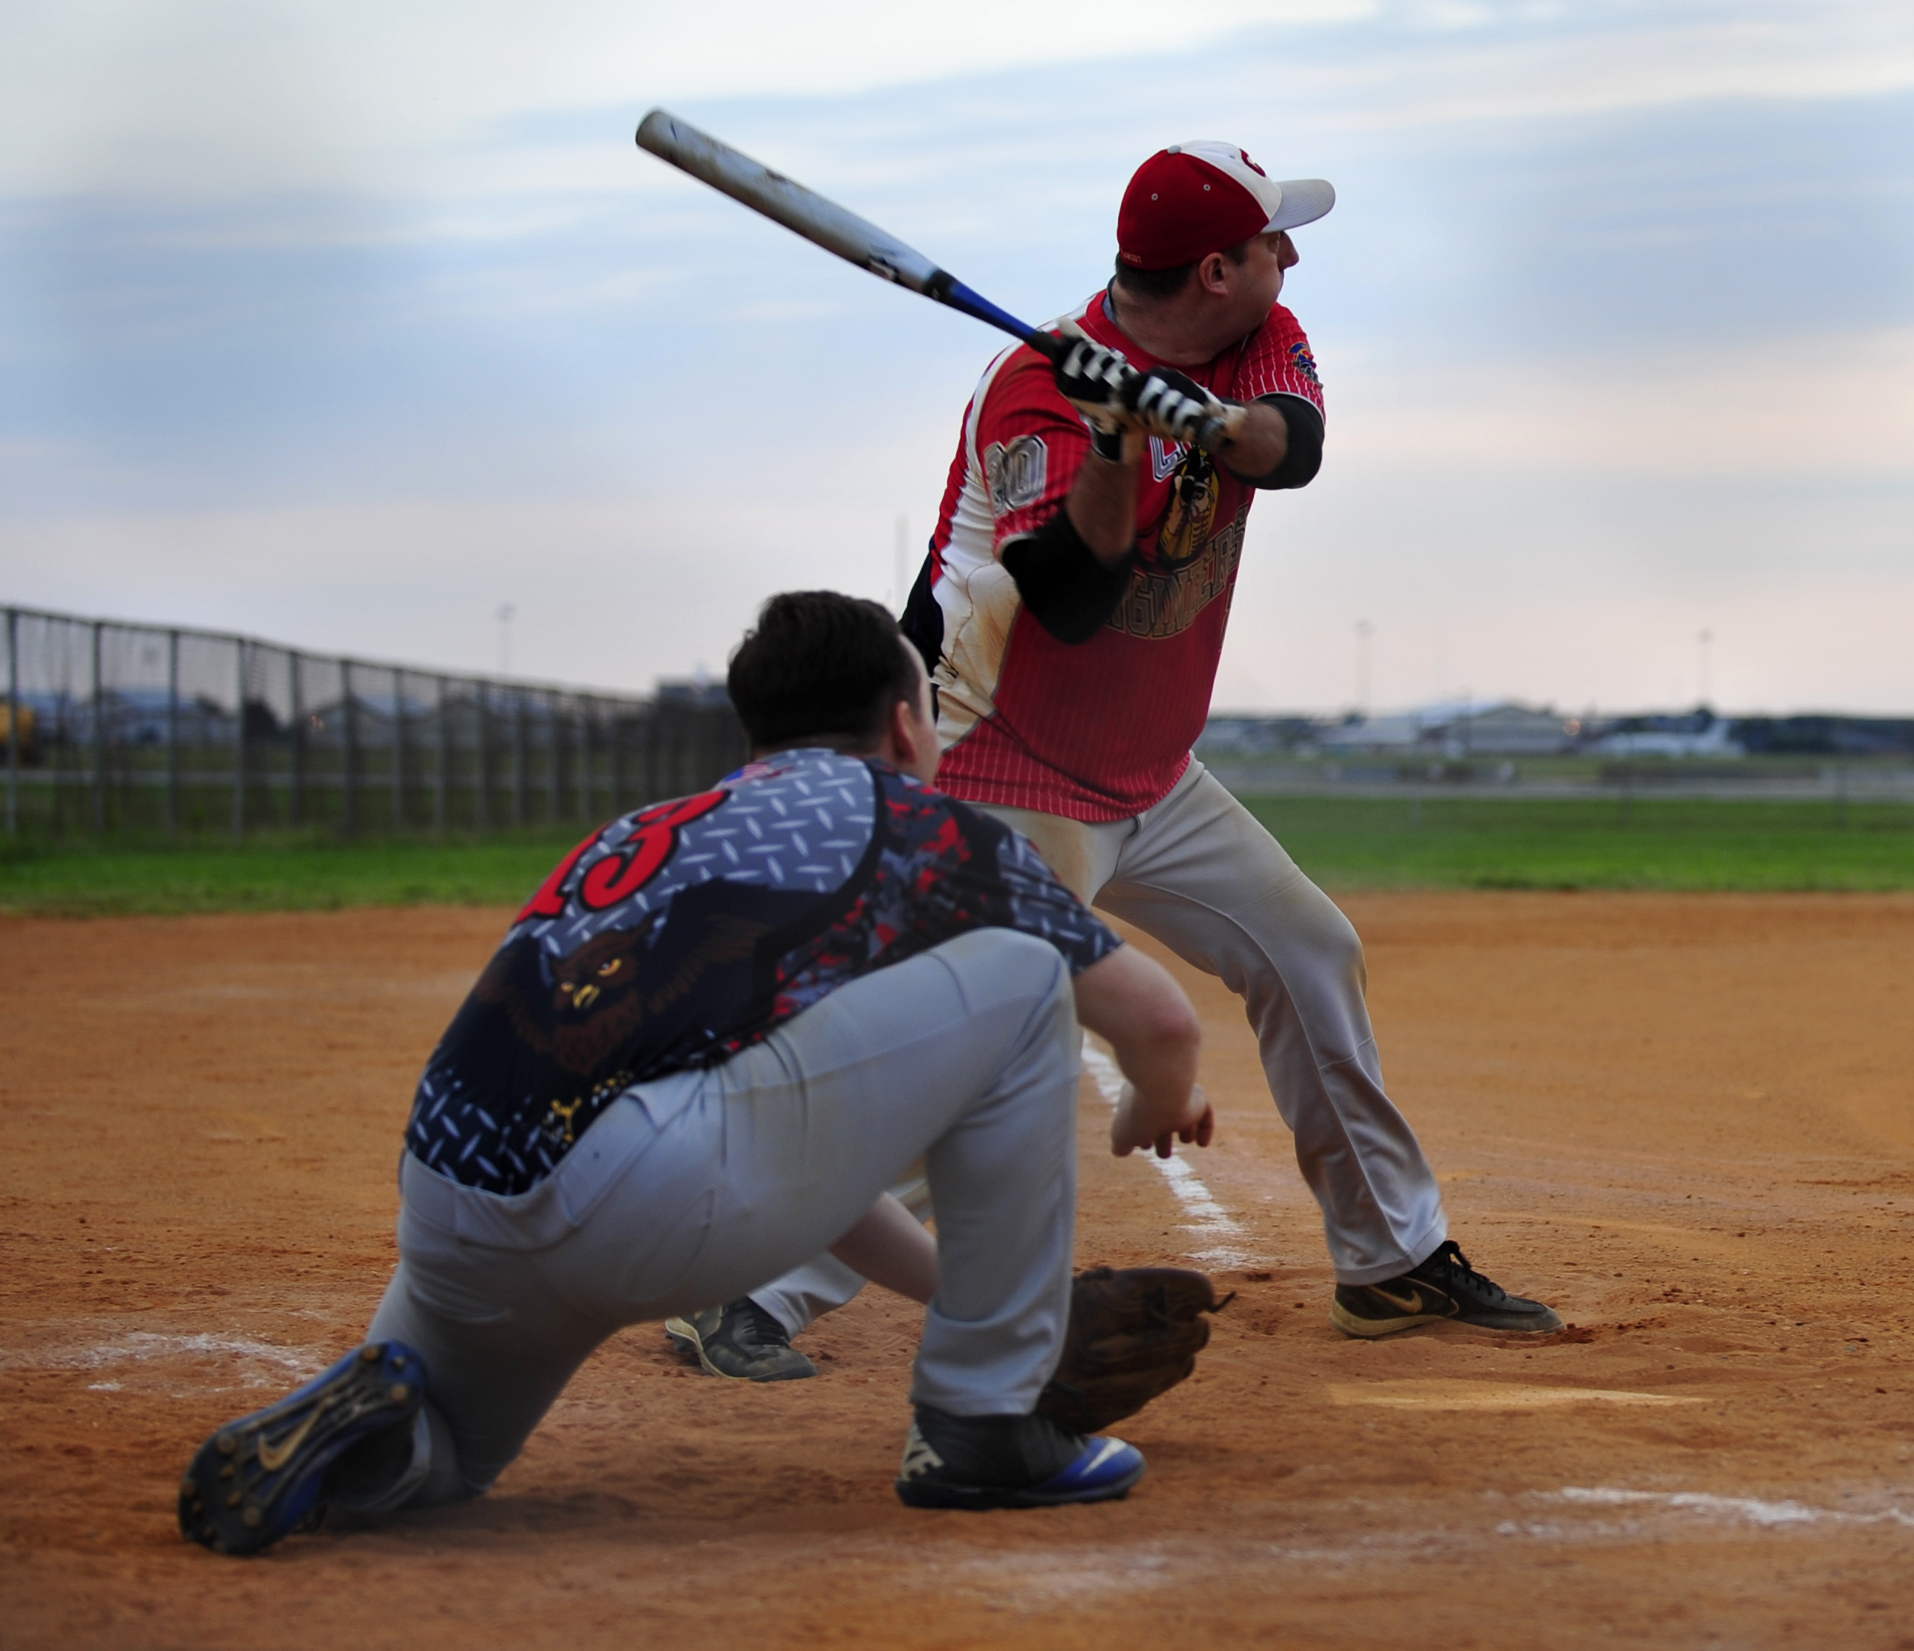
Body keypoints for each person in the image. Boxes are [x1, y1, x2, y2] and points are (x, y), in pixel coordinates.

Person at [674, 142, 1556, 1373]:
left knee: (1309, 954)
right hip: (1004, 767)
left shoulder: (1257, 333)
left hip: (1150, 766)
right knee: (992, 1040)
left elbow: (1290, 445)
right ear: (1212, 270)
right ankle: (752, 1287)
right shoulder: (1035, 392)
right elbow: (1073, 605)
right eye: (1268, 241)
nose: (1289, 257)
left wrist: (1201, 421)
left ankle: (1391, 1261)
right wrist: (1110, 444)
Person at [177, 592, 1216, 1554]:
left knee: (445, 1465)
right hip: (642, 1193)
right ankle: (985, 1426)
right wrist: (1155, 1102)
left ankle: (384, 1432)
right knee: (1028, 977)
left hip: (453, 1211)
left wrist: (964, 1289)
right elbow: (1160, 1022)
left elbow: (806, 1162)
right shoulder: (924, 827)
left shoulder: (639, 831)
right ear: (905, 727)